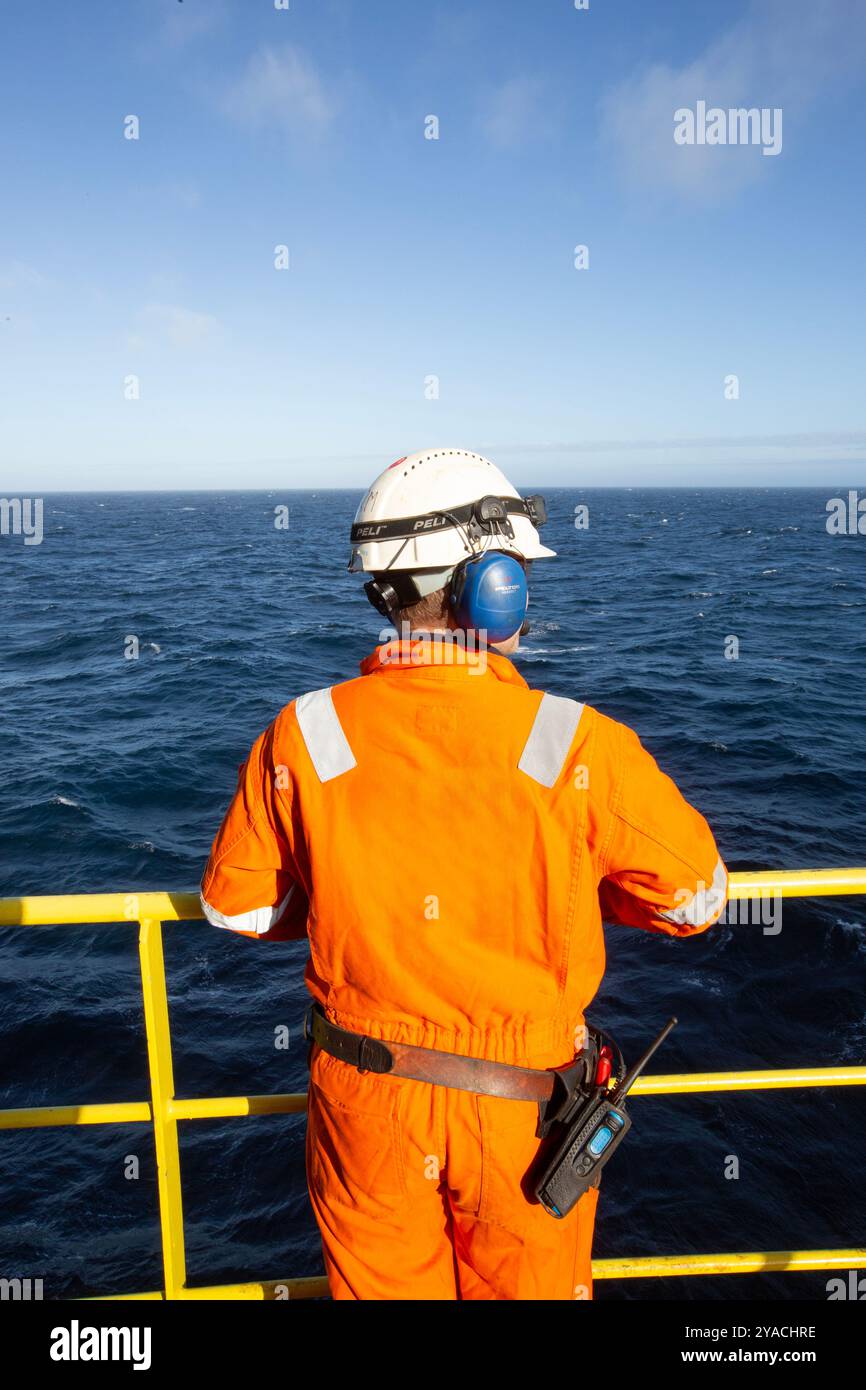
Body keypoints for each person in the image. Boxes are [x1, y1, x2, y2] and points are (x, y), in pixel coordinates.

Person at [200, 447, 727, 1301]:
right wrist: (580, 884)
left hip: (363, 1099)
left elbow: (239, 910)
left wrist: (346, 892)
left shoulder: (304, 731)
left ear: (384, 593)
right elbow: (697, 897)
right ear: (494, 584)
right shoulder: (576, 740)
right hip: (522, 1115)